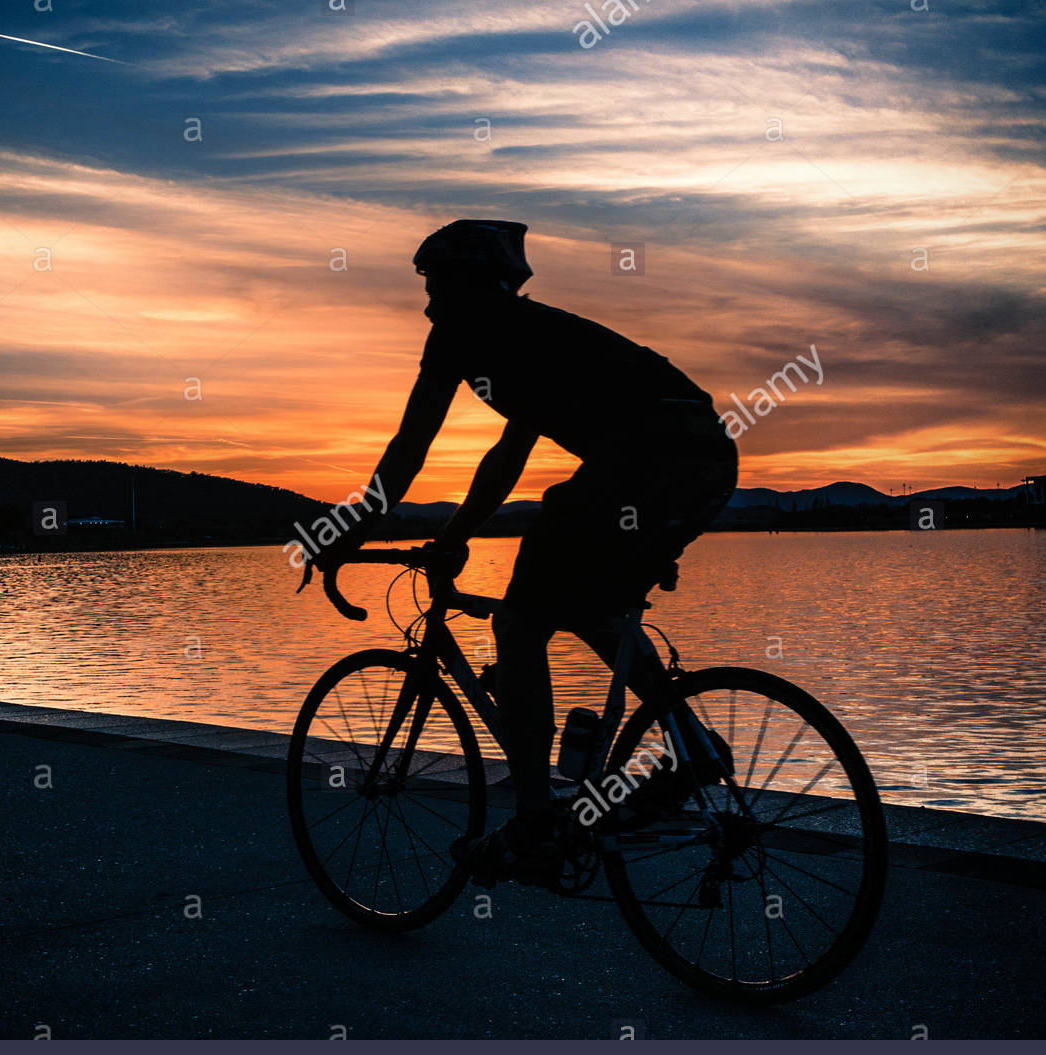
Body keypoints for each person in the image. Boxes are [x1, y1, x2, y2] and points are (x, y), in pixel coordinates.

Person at [314, 219, 738, 887]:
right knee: (596, 607)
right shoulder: (534, 334)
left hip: (646, 463)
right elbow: (505, 457)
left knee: (517, 622)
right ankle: (693, 743)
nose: (426, 304)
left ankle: (535, 826)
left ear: (464, 284)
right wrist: (455, 535)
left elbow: (409, 449)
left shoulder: (463, 332)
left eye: (432, 286)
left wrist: (344, 528)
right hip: (709, 459)